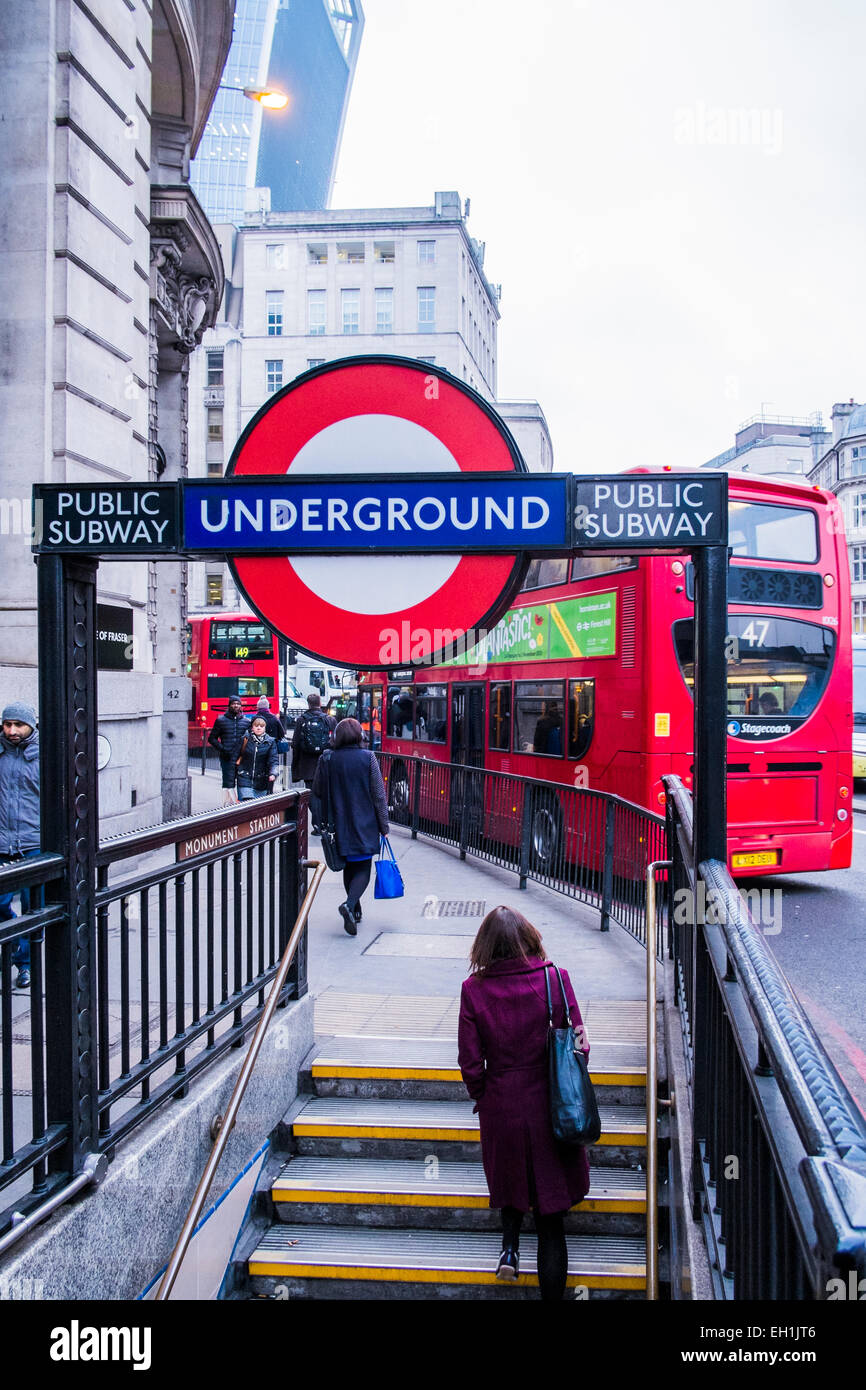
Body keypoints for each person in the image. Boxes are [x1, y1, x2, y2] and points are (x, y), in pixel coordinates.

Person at [457, 906, 591, 1301]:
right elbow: (581, 1046)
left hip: (502, 1107)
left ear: (484, 947)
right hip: (554, 1108)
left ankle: (509, 1250)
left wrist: (484, 1095)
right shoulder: (556, 979)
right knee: (552, 1223)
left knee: (512, 1183)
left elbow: (470, 1062)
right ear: (531, 937)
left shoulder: (473, 990)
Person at [311, 717, 390, 937]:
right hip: (365, 821)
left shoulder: (327, 758)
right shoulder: (368, 757)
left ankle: (354, 909)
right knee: (363, 867)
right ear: (359, 735)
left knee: (348, 866)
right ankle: (349, 904)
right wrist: (384, 826)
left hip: (338, 822)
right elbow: (378, 795)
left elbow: (317, 790)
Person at [0, 701, 42, 989]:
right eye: (7, 724)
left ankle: (25, 964)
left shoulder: (44, 757)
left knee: (32, 907)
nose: (12, 730)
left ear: (31, 726)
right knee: (1, 904)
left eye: (18, 725)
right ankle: (15, 945)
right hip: (3, 844)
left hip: (33, 843)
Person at [291, 693, 337, 826]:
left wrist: (296, 767)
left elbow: (296, 744)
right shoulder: (330, 720)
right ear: (320, 703)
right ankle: (326, 822)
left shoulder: (301, 720)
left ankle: (317, 823)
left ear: (308, 704)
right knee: (326, 793)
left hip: (307, 765)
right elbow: (335, 742)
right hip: (326, 763)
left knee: (312, 795)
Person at [207, 697, 250, 804]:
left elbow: (250, 739)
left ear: (241, 706)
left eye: (238, 704)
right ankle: (226, 806)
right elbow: (211, 738)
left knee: (243, 783)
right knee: (228, 783)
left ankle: (241, 805)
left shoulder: (246, 722)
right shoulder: (221, 721)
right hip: (227, 757)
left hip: (242, 758)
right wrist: (223, 749)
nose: (236, 705)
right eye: (233, 703)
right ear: (229, 705)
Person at [235, 715, 278, 799]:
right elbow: (235, 756)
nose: (259, 728)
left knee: (259, 806)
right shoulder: (245, 739)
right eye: (256, 726)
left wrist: (273, 773)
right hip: (244, 778)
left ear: (265, 728)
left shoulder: (270, 742)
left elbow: (273, 760)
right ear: (252, 728)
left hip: (261, 781)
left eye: (261, 726)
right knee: (248, 803)